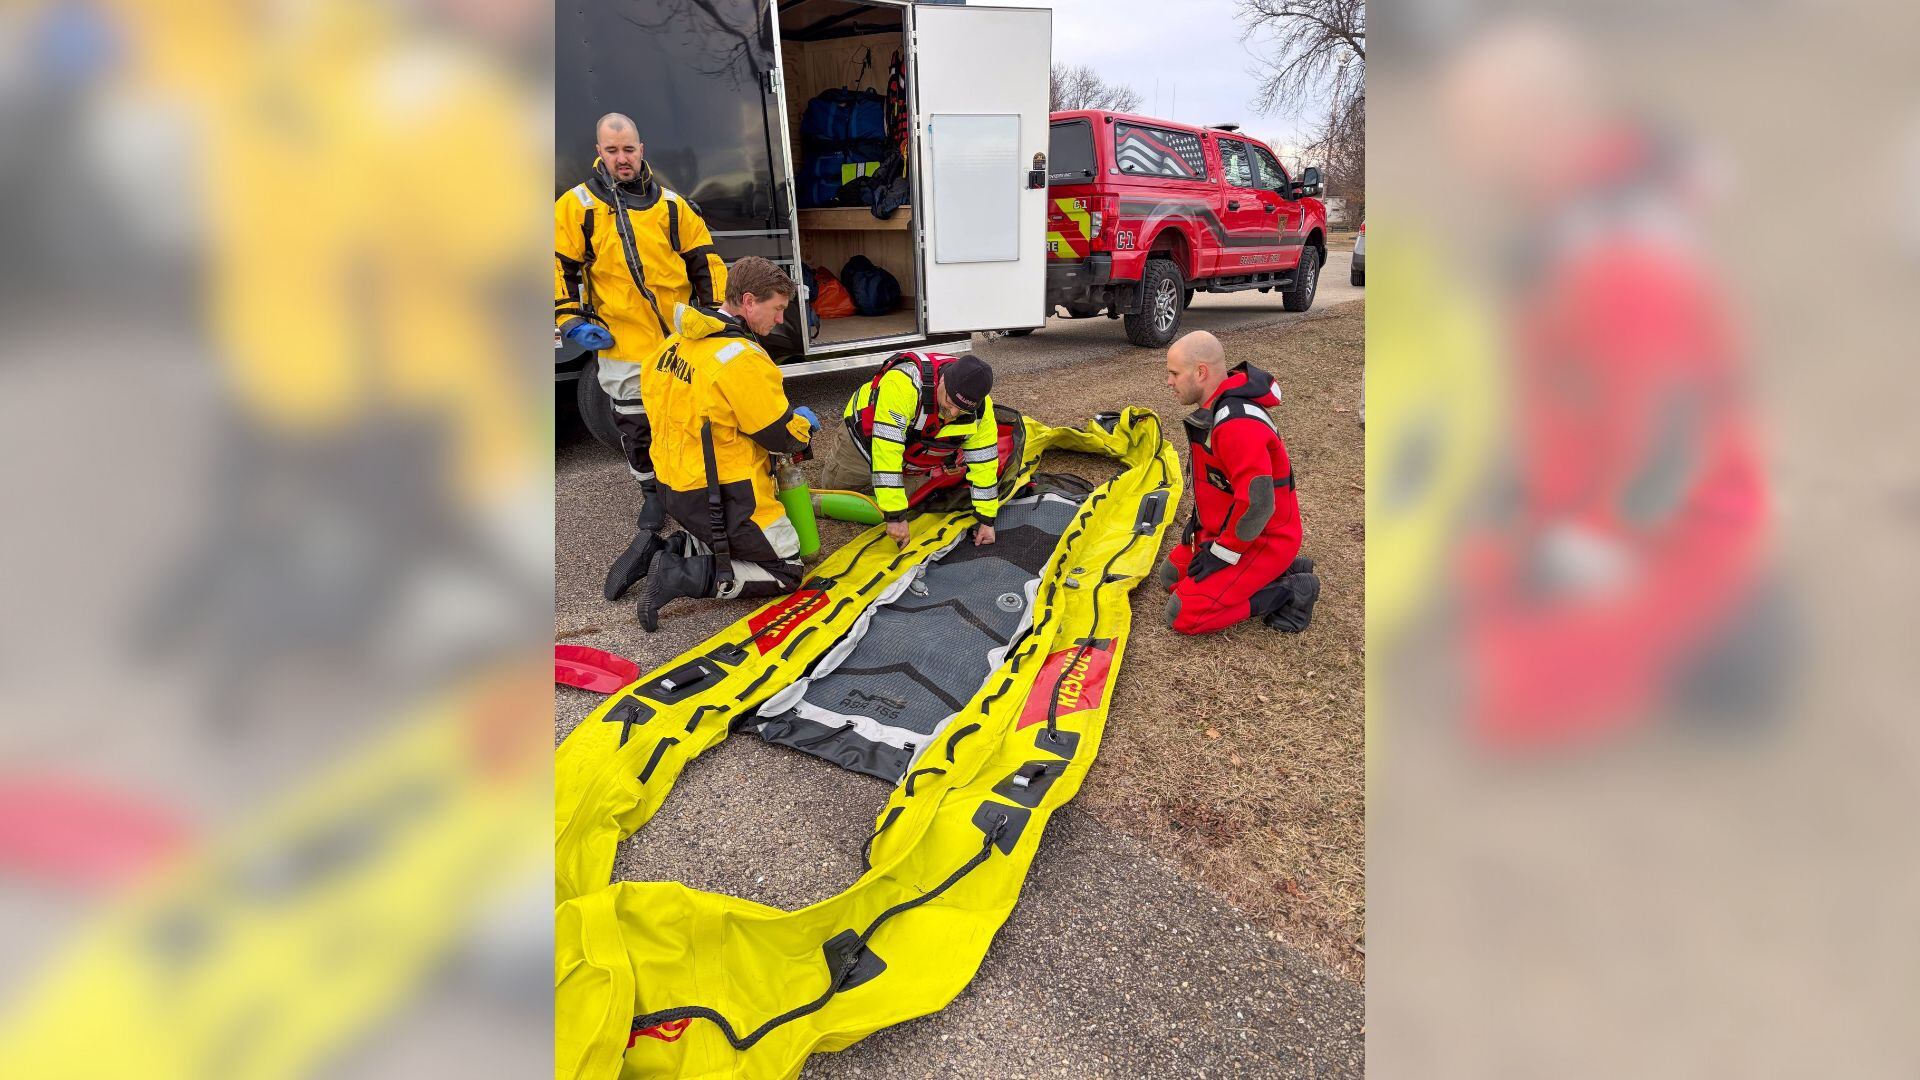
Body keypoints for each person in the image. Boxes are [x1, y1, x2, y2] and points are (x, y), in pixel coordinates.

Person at [554, 112, 729, 597]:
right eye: (612, 151)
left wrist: (714, 313)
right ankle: (652, 496)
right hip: (622, 341)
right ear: (599, 151)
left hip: (676, 341)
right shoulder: (578, 206)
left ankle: (692, 493)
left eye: (628, 149)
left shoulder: (672, 207)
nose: (621, 159)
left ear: (641, 149)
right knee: (634, 425)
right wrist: (571, 319)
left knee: (690, 422)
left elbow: (705, 260)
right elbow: (559, 266)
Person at [634, 257, 822, 631]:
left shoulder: (674, 343)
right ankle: (679, 573)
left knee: (735, 545)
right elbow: (780, 437)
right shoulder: (742, 359)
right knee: (786, 570)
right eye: (778, 309)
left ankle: (663, 547)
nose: (780, 320)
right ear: (749, 301)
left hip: (674, 488)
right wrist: (803, 425)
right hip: (723, 496)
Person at [1160, 331, 1320, 635]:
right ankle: (1282, 571)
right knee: (1171, 577)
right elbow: (1220, 484)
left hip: (1263, 537)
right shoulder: (1218, 407)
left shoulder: (1236, 424)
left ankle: (1291, 591)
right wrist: (1199, 523)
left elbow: (1258, 505)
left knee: (1183, 616)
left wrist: (1222, 553)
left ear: (1201, 372)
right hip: (1226, 529)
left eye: (1174, 373)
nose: (1169, 381)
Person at [818, 351, 1011, 549]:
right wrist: (895, 515)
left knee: (913, 504)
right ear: (943, 381)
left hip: (914, 455)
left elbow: (984, 464)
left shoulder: (980, 410)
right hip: (863, 438)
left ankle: (889, 489)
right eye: (951, 403)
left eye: (962, 410)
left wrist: (987, 520)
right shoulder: (904, 383)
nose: (953, 414)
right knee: (834, 492)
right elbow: (886, 450)